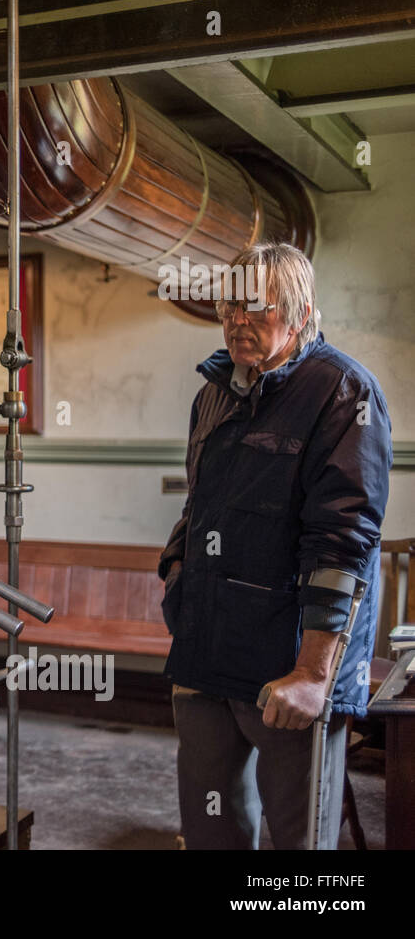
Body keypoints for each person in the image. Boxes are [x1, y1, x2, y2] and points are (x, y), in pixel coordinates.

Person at [159, 242, 392, 849]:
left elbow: (343, 543)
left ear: (300, 309)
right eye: (230, 306)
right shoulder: (213, 393)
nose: (237, 319)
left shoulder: (343, 393)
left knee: (297, 843)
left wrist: (313, 674)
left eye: (255, 307)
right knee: (211, 827)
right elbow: (197, 506)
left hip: (289, 662)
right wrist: (178, 583)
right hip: (207, 652)